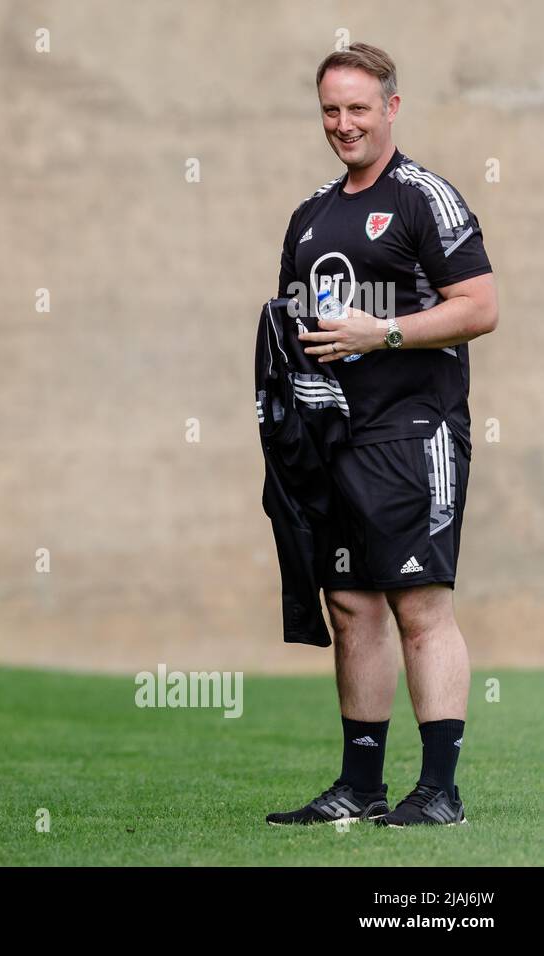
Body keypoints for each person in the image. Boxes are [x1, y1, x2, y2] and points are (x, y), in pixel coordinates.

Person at [267, 44, 497, 827]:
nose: (343, 124)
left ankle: (440, 792)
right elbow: (296, 324)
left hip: (413, 435)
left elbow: (479, 306)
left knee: (418, 606)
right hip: (335, 441)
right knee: (352, 606)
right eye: (331, 110)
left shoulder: (422, 197)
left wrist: (384, 332)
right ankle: (360, 785)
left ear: (391, 107)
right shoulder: (309, 215)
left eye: (358, 108)